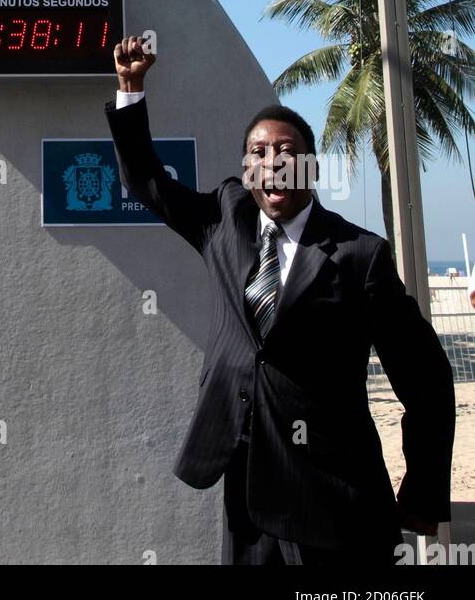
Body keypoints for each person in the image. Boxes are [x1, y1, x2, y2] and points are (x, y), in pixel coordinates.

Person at [105, 35, 456, 566]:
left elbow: (426, 376)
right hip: (246, 484)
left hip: (335, 494)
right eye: (259, 153)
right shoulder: (224, 220)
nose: (273, 163)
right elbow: (149, 182)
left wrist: (425, 487)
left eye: (287, 153)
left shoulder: (361, 255)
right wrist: (131, 88)